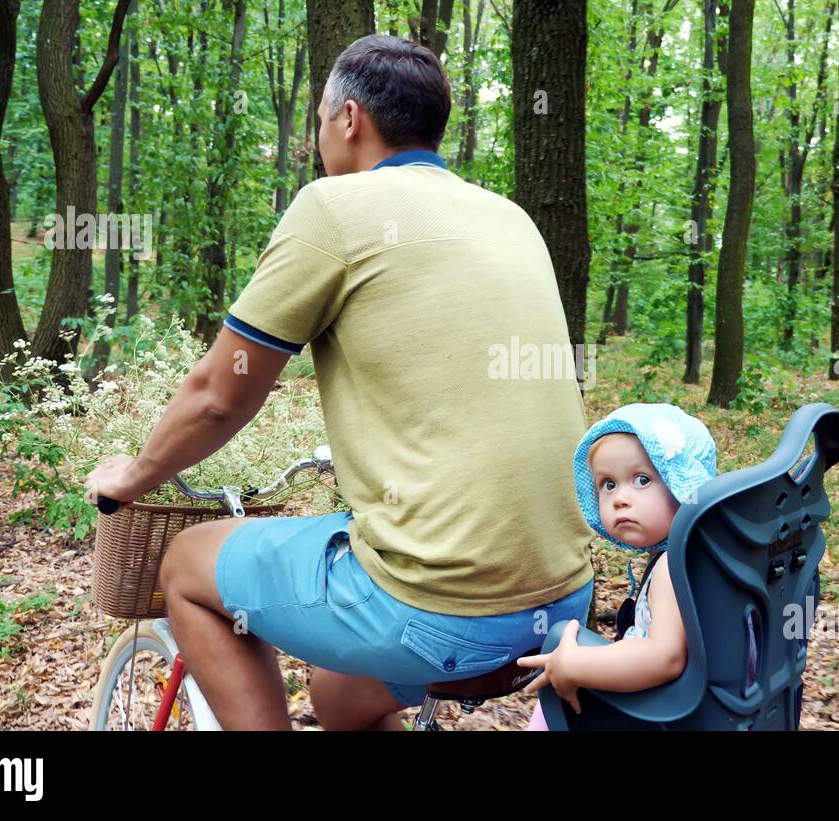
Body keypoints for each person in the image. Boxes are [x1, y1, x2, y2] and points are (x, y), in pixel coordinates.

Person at [84, 35, 594, 730]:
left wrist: (133, 476)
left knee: (183, 564)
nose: (318, 137)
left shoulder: (335, 206)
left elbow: (218, 393)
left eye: (320, 120)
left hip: (436, 607)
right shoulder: (511, 218)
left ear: (348, 119)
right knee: (339, 693)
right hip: (562, 607)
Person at [519, 403, 717, 730]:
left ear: (684, 485)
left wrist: (574, 664)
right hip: (672, 705)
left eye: (641, 479)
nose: (619, 498)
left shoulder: (673, 567)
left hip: (662, 712)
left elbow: (665, 658)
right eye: (608, 484)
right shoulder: (702, 553)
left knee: (560, 659)